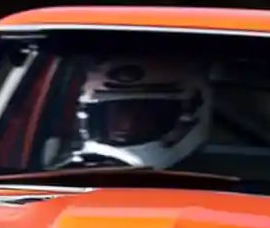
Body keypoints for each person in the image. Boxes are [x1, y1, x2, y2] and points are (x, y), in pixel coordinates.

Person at [57, 57, 213, 169]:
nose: (125, 124)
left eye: (142, 114)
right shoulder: (71, 173)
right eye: (115, 113)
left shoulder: (212, 186)